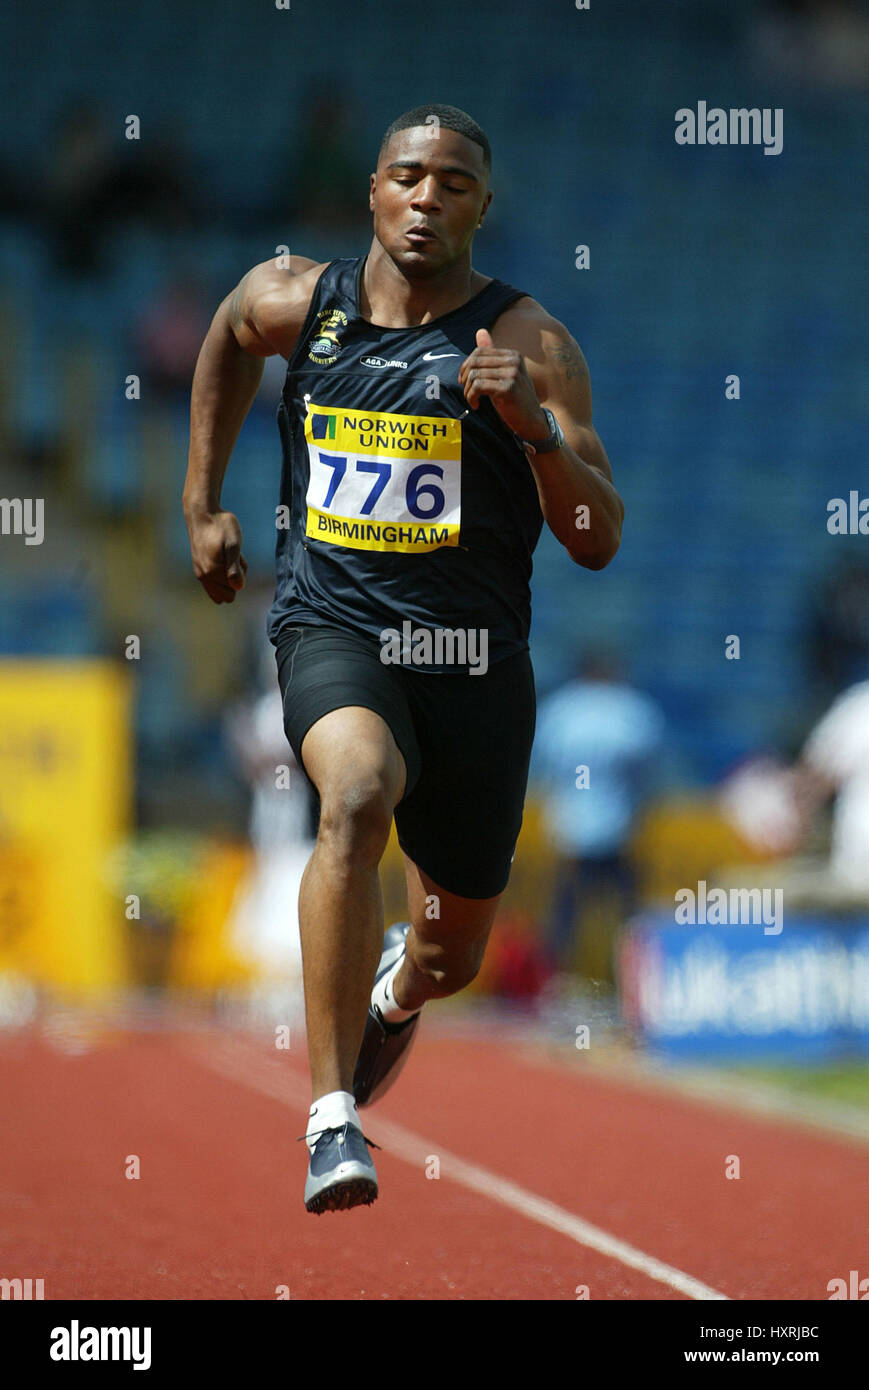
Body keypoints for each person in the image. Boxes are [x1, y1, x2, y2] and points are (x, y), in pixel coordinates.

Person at [183, 104, 624, 1214]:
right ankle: (332, 1118)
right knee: (355, 793)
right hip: (335, 632)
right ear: (372, 189)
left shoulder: (528, 344)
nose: (427, 199)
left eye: (454, 184)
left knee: (452, 959)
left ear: (482, 205)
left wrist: (530, 431)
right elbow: (231, 331)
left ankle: (397, 979)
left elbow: (597, 538)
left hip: (475, 666)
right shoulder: (301, 300)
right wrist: (201, 506)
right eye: (407, 177)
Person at [532, 649, 664, 981]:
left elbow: (545, 770)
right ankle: (633, 983)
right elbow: (647, 775)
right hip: (618, 827)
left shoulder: (560, 709)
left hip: (570, 829)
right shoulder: (632, 709)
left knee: (566, 913)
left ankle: (554, 983)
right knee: (626, 914)